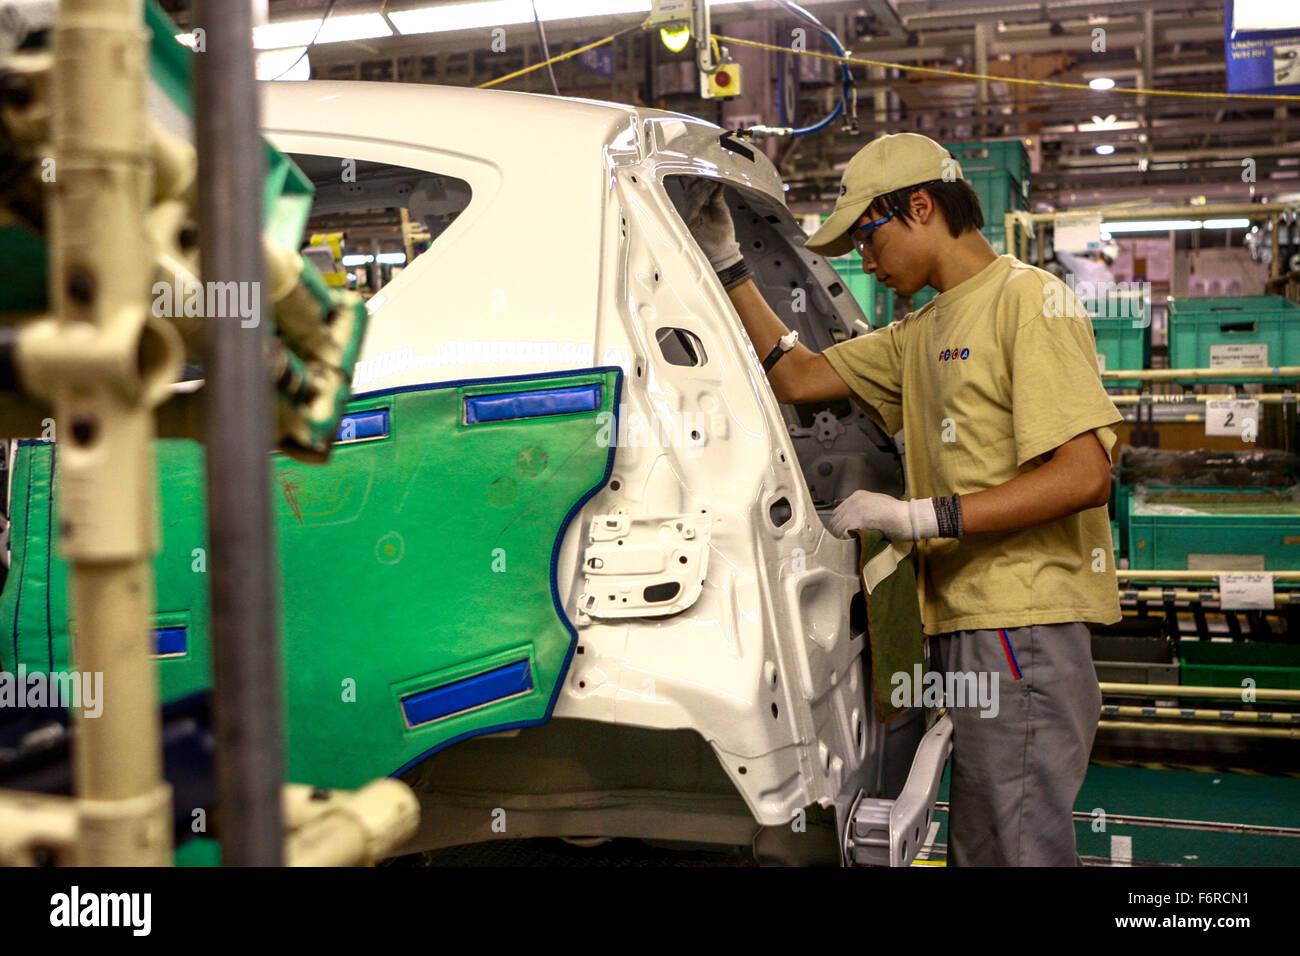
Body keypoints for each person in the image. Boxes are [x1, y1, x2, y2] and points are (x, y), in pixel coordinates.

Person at [684, 132, 1123, 867]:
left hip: (1025, 626)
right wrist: (729, 263)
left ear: (920, 207)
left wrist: (920, 517)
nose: (866, 258)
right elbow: (798, 376)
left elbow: (1083, 475)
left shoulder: (1028, 301)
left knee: (1018, 846)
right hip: (967, 620)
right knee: (985, 840)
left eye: (869, 234)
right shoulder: (919, 330)